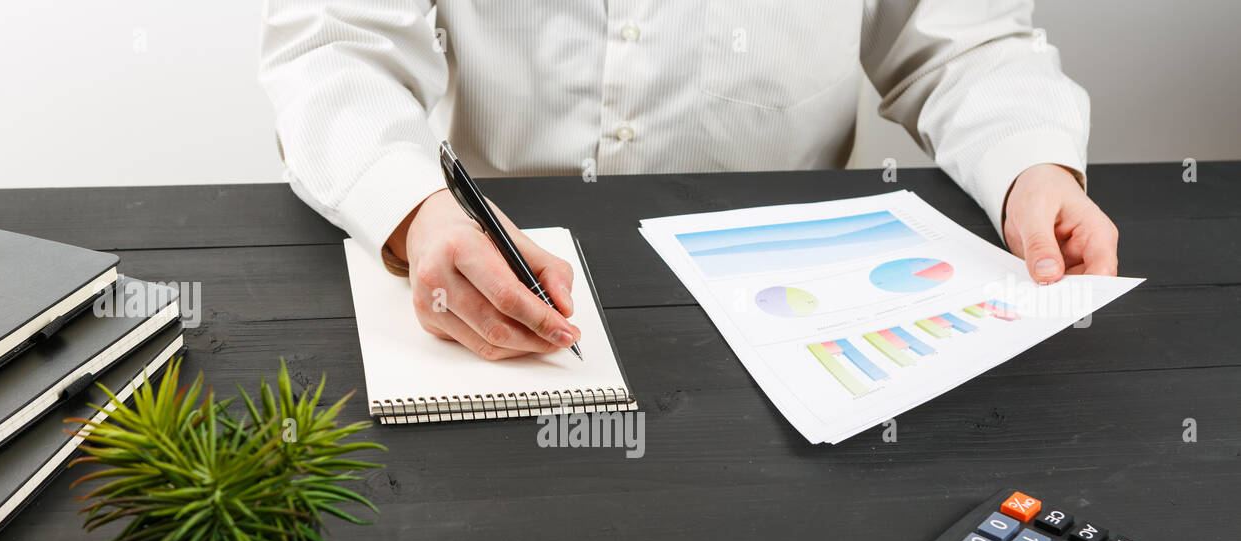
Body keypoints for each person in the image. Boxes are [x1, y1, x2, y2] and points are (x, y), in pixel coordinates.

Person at [261, 1, 1119, 360]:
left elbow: (962, 38)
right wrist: (418, 212)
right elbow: (335, 42)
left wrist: (1031, 163)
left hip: (803, 301)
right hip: (511, 275)